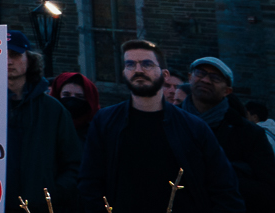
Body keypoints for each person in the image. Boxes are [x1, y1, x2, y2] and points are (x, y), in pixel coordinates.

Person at [77, 40, 242, 211]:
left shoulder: (193, 127)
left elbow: (223, 187)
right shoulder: (105, 121)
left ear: (164, 75)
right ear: (124, 72)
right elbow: (90, 182)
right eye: (130, 64)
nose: (138, 70)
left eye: (147, 64)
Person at [1, 30, 81, 213]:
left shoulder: (53, 110)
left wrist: (50, 196)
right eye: (1, 55)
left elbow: (74, 163)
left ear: (29, 59)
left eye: (14, 54)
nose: (8, 61)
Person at [187, 56, 275, 209]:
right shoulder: (169, 122)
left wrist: (221, 175)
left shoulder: (249, 133)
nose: (206, 80)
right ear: (190, 78)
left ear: (227, 90)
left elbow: (268, 190)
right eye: (200, 73)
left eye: (215, 78)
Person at [52, 71, 100, 139]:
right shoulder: (46, 124)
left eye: (79, 96)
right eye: (66, 95)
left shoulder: (98, 129)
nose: (72, 99)